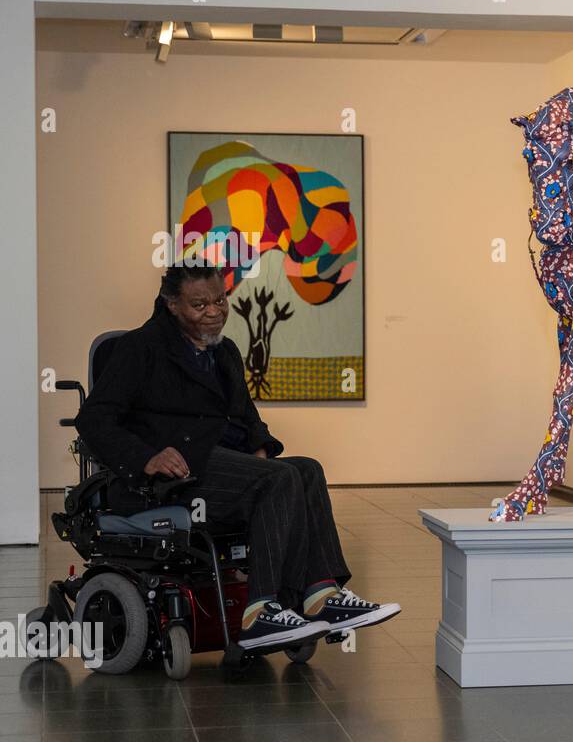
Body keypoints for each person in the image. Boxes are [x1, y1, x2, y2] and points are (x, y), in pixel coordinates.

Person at [75, 262, 400, 650]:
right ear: (172, 305)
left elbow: (246, 416)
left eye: (220, 300)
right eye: (199, 305)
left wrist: (259, 447)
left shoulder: (224, 351)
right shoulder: (139, 349)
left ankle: (321, 595)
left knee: (306, 470)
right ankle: (260, 611)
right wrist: (147, 456)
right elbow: (93, 420)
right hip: (171, 481)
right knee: (278, 479)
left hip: (220, 465)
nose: (213, 312)